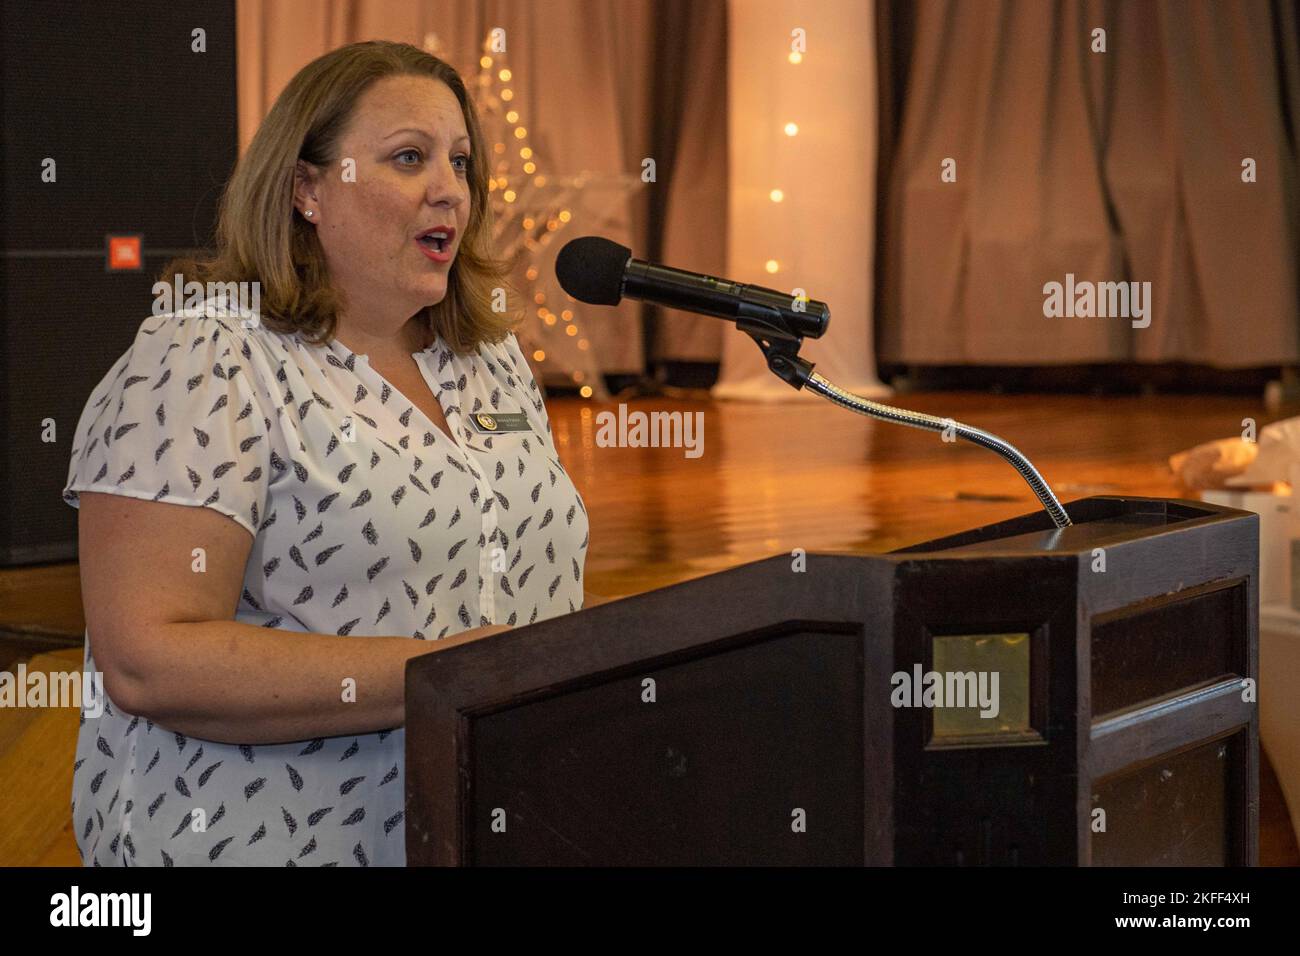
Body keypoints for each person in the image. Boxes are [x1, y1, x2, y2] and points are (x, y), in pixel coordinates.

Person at [61, 40, 590, 866]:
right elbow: (149, 661)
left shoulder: (488, 358)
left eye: (460, 161)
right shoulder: (206, 356)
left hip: (477, 830)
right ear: (308, 188)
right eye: (408, 159)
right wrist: (448, 675)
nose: (450, 189)